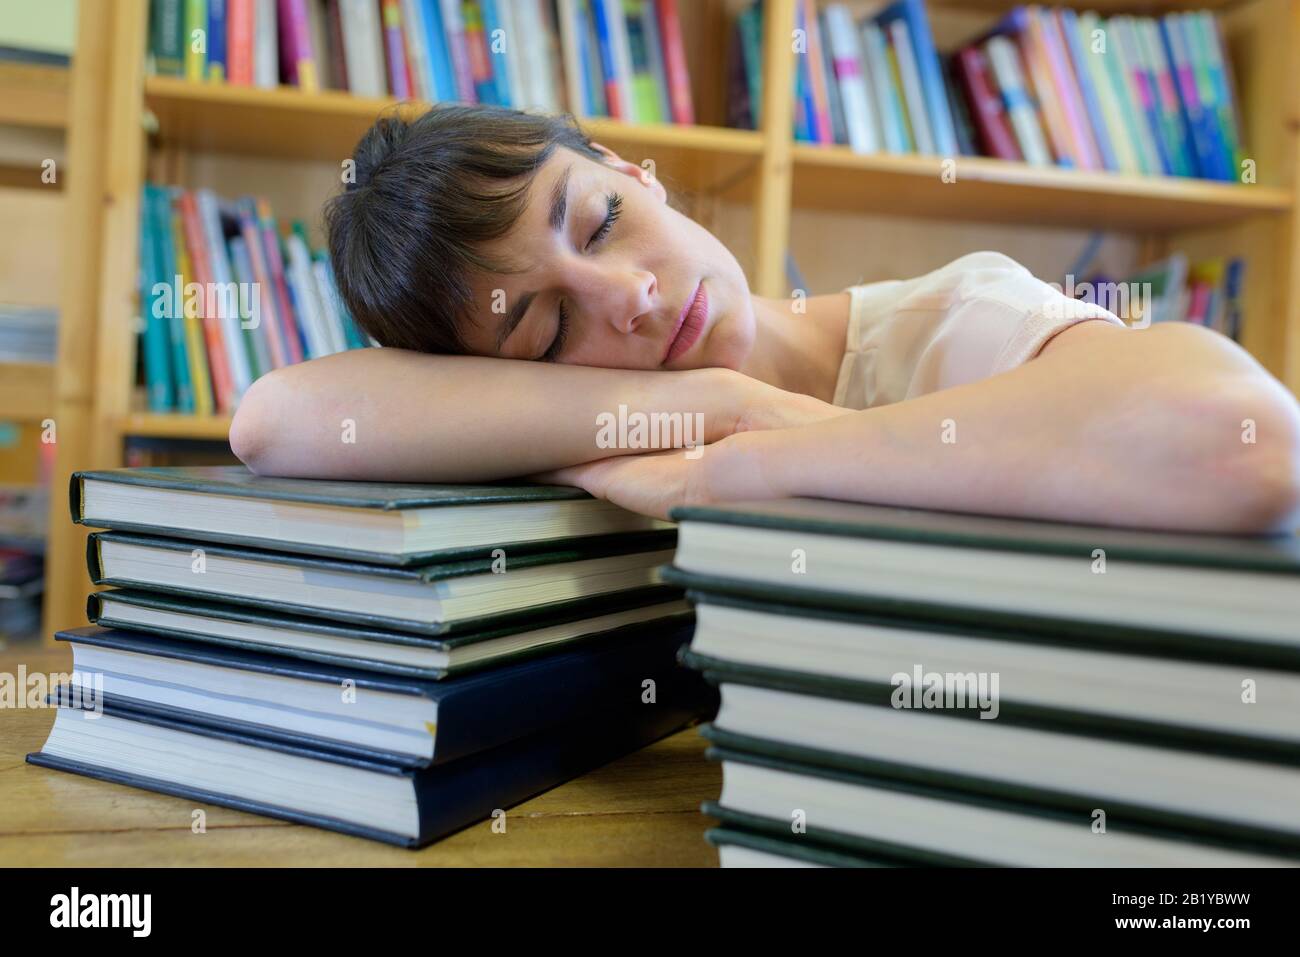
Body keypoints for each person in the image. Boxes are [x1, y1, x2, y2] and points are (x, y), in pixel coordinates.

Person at [230, 104, 1300, 534]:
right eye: (549, 332)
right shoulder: (638, 418)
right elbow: (275, 421)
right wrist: (714, 400)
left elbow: (1236, 445)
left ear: (634, 171)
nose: (633, 298)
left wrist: (732, 457)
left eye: (600, 223)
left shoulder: (953, 320)